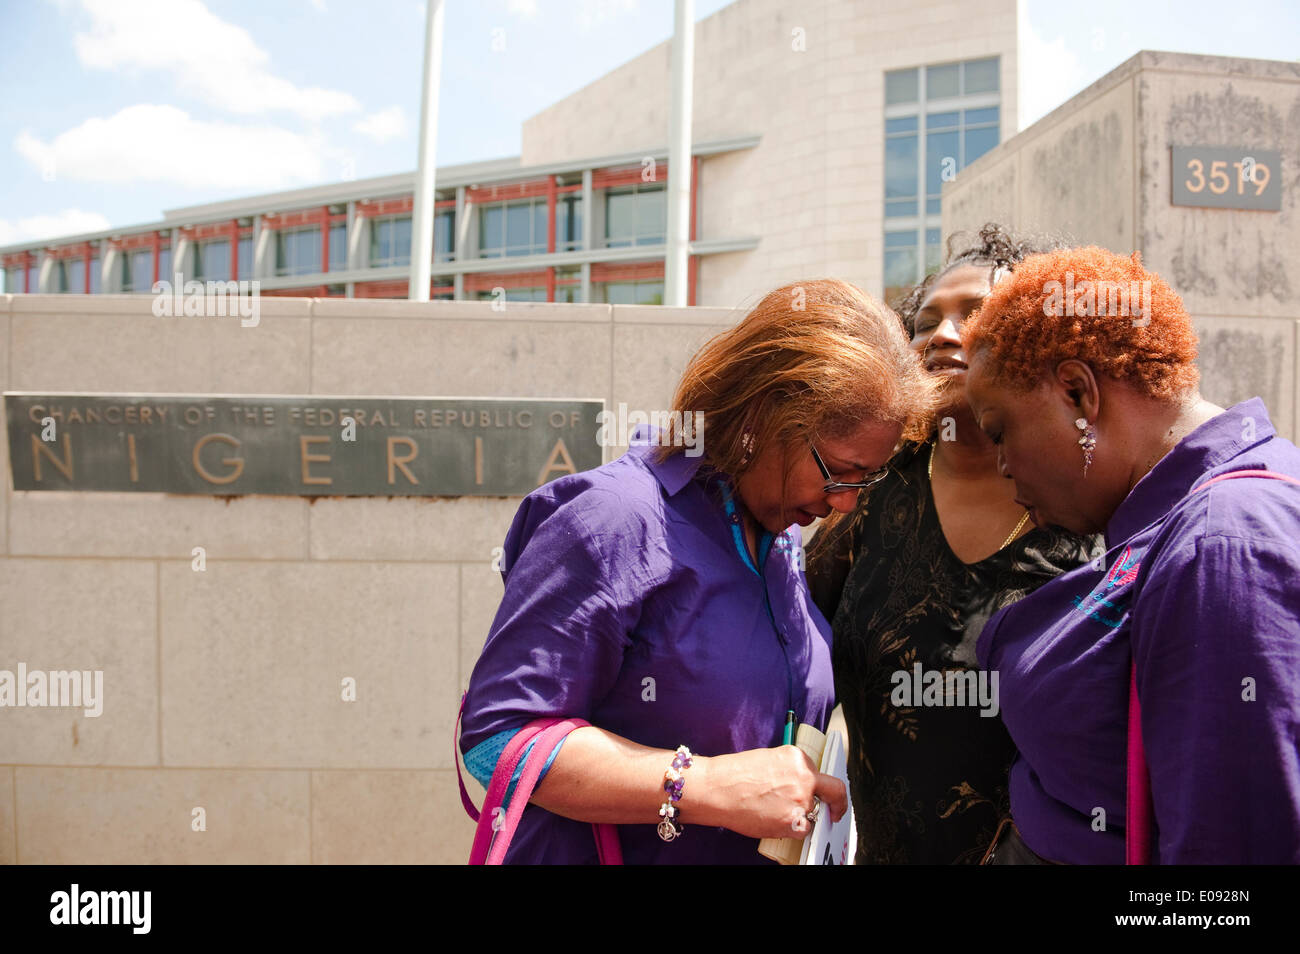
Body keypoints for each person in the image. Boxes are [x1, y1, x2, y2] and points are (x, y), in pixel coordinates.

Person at [458, 278, 942, 863]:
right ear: (764, 414)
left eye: (865, 479)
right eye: (838, 471)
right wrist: (706, 786)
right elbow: (497, 739)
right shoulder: (615, 518)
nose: (844, 503)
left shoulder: (777, 536)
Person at [965, 245, 1300, 864]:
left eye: (999, 431)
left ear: (1077, 393)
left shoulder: (1222, 546)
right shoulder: (1184, 519)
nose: (1003, 465)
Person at [806, 225, 1103, 864]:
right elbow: (791, 648)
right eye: (925, 322)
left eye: (974, 315)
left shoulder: (1089, 513)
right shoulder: (864, 496)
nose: (942, 334)